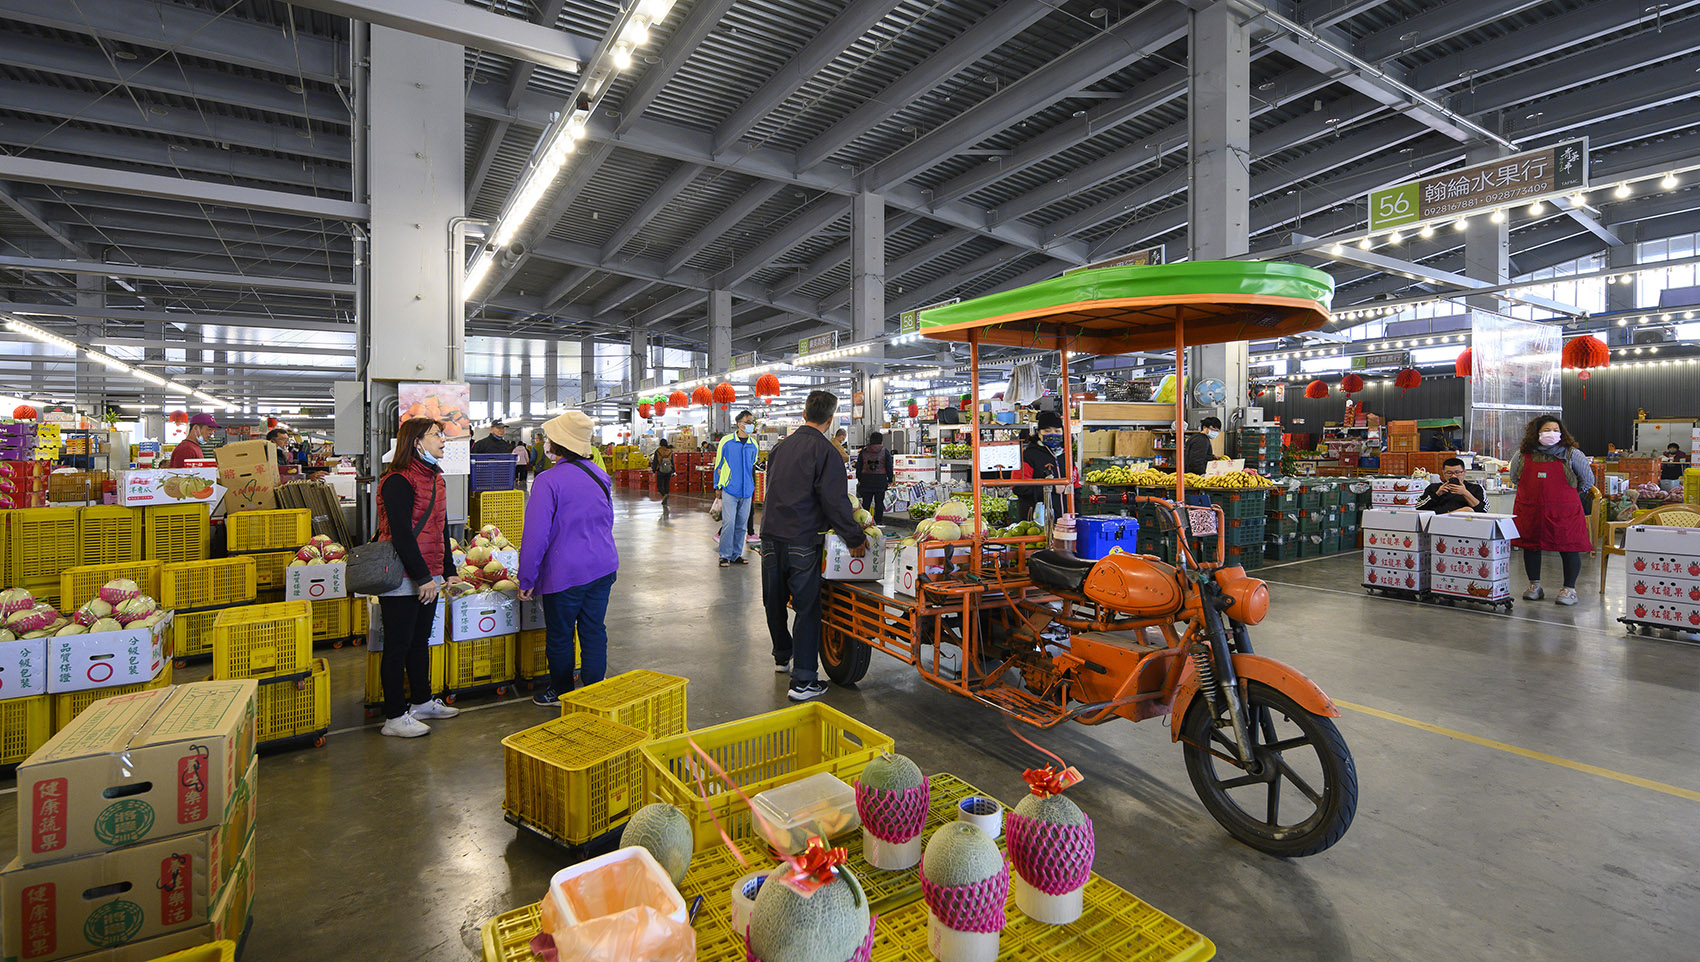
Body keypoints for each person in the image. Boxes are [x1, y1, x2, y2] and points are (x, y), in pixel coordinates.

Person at [761, 391, 867, 701]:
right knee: (808, 608)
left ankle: (783, 656)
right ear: (831, 419)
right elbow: (834, 502)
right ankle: (804, 680)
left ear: (805, 412)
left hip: (770, 536)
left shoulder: (780, 448)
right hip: (802, 538)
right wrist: (855, 538)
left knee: (775, 599)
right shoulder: (827, 452)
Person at [518, 412, 618, 706]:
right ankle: (594, 692)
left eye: (549, 438)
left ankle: (561, 692)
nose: (546, 443)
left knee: (561, 635)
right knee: (594, 630)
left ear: (557, 444)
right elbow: (606, 520)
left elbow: (536, 535)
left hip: (565, 573)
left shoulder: (548, 480)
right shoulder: (599, 473)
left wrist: (527, 578)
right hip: (603, 565)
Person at [373, 417, 460, 738]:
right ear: (416, 442)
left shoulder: (435, 479)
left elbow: (439, 528)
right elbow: (400, 534)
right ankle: (394, 716)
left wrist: (447, 572)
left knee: (420, 641)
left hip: (429, 573)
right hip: (401, 575)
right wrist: (423, 576)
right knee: (398, 644)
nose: (443, 440)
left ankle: (421, 701)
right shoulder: (397, 480)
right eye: (437, 435)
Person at [1510, 415, 1594, 606]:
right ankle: (1534, 585)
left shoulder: (1572, 454)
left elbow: (1588, 481)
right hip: (1531, 509)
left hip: (1564, 510)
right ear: (1536, 433)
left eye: (1556, 430)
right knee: (1531, 545)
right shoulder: (1522, 454)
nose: (1552, 434)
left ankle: (1569, 589)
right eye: (1547, 430)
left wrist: (1566, 495)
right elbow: (1515, 478)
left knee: (1568, 547)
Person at [714, 409, 759, 569]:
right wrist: (717, 486)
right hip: (730, 489)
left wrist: (751, 488)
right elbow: (718, 465)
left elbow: (752, 465)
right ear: (739, 424)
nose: (751, 425)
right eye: (747, 422)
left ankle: (736, 554)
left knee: (741, 525)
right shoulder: (726, 442)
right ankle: (724, 555)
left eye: (752, 422)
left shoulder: (753, 444)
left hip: (747, 491)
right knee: (729, 523)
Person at [1015, 412, 1066, 523]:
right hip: (1035, 519)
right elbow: (1019, 487)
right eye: (1047, 431)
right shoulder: (1028, 455)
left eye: (1057, 431)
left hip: (1064, 520)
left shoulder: (1066, 456)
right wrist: (1050, 489)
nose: (1053, 434)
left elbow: (1076, 488)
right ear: (1039, 433)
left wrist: (1077, 515)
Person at [1417, 457, 1485, 514]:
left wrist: (1465, 493)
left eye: (1457, 472)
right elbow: (1418, 507)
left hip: (1465, 524)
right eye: (1449, 473)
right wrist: (1437, 494)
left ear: (1464, 472)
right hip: (1436, 523)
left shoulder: (1475, 488)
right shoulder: (1433, 487)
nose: (1453, 476)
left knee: (1468, 510)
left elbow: (1483, 510)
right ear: (1443, 473)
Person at [854, 431, 894, 524]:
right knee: (879, 503)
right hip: (880, 480)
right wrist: (890, 479)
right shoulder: (885, 451)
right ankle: (878, 521)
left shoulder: (863, 452)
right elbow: (889, 466)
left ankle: (865, 521)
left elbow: (858, 466)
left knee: (866, 503)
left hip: (866, 479)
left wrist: (860, 478)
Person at [651, 438, 674, 505]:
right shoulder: (670, 451)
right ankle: (665, 500)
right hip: (669, 470)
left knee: (659, 486)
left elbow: (655, 461)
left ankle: (664, 495)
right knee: (666, 485)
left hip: (660, 470)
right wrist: (673, 470)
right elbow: (672, 461)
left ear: (660, 444)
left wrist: (653, 470)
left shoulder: (658, 451)